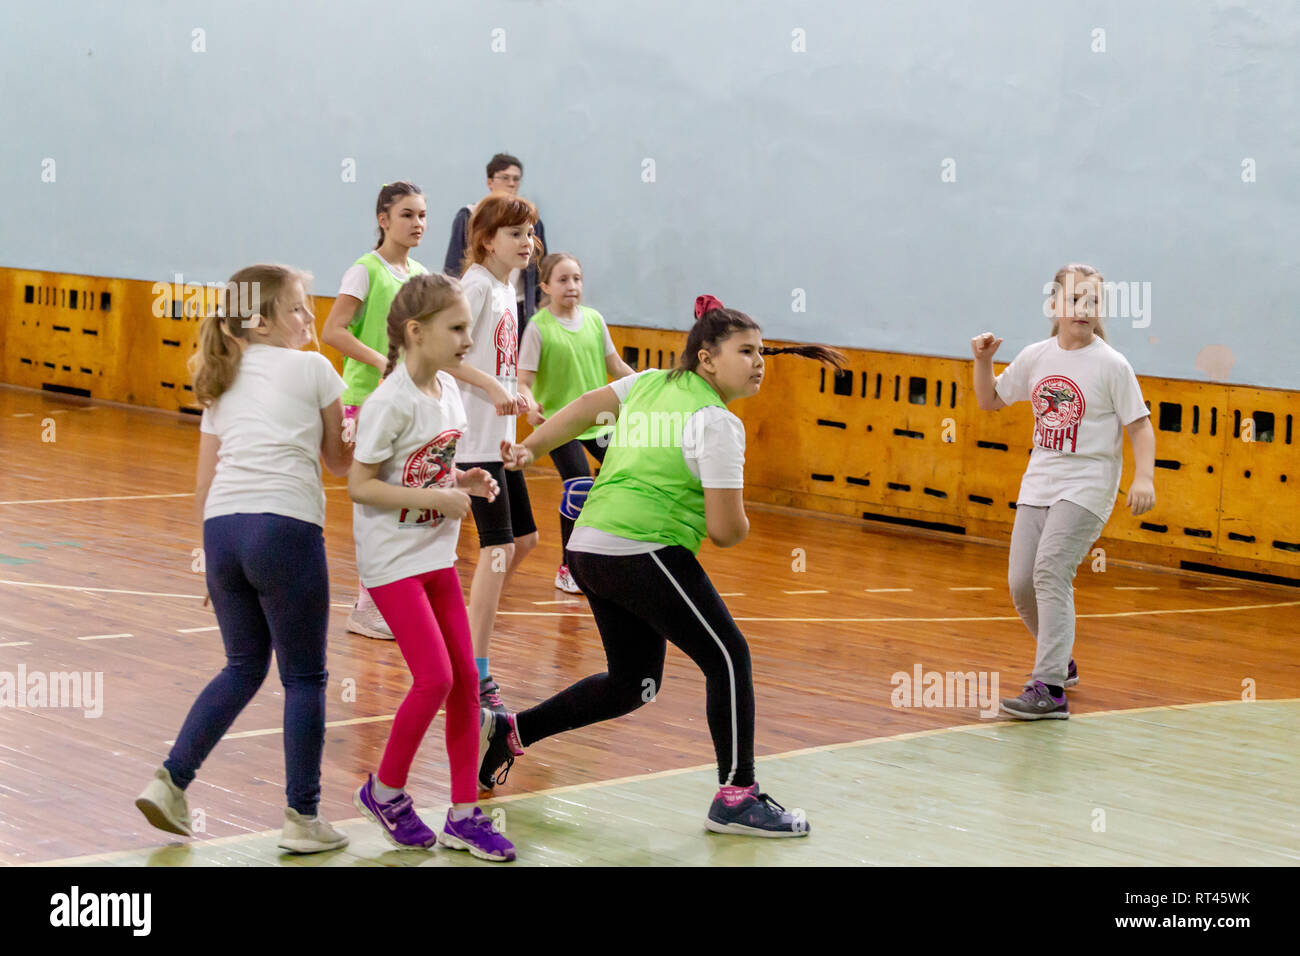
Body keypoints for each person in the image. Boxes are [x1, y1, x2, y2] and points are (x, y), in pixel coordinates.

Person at [483, 294, 844, 837]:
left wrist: (528, 450)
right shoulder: (716, 422)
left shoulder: (649, 382)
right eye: (745, 351)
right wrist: (741, 520)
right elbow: (726, 532)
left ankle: (511, 731)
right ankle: (737, 795)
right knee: (729, 657)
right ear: (706, 359)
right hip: (640, 546)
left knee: (634, 683)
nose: (759, 361)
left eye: (761, 351)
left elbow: (584, 408)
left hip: (588, 546)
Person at [136, 265, 353, 854]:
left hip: (223, 534)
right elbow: (338, 462)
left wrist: (209, 561)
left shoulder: (222, 379)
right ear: (262, 318)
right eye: (301, 308)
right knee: (304, 677)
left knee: (242, 666)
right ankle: (302, 818)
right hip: (283, 527)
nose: (311, 318)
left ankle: (171, 780)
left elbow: (204, 483)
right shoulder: (315, 369)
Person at [349, 272, 515, 860]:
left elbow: (428, 471)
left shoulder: (446, 390)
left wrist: (462, 480)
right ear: (417, 333)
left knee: (467, 680)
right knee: (436, 677)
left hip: (435, 554)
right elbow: (359, 485)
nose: (468, 338)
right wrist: (435, 499)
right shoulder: (389, 401)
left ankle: (464, 814)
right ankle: (386, 790)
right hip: (392, 562)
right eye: (458, 327)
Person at [971, 263, 1156, 720]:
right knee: (1021, 584)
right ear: (1054, 304)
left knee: (1050, 571)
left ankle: (1049, 688)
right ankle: (1058, 659)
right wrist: (982, 361)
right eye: (1075, 299)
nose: (1084, 309)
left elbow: (1140, 426)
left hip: (1089, 483)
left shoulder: (1112, 365)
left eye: (1093, 301)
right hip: (1040, 480)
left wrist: (1144, 478)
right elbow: (990, 400)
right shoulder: (1037, 356)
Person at [448, 192, 544, 715]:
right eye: (515, 233)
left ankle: (468, 632)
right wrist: (489, 386)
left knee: (524, 539)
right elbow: (447, 356)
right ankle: (474, 667)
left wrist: (521, 397)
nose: (527, 243)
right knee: (498, 548)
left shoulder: (509, 291)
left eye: (529, 233)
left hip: (501, 440)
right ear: (487, 240)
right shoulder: (477, 287)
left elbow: (501, 365)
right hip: (474, 440)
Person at [321, 181, 429, 640]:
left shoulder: (420, 274)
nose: (417, 223)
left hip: (407, 402)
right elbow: (333, 330)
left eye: (422, 215)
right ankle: (368, 606)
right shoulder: (364, 271)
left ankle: (389, 599)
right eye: (407, 214)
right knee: (375, 503)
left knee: (398, 504)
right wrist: (380, 362)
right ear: (383, 219)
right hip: (366, 401)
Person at [518, 252, 634, 593]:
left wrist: (648, 386)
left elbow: (616, 367)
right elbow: (523, 379)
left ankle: (609, 556)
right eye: (563, 280)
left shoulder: (595, 320)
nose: (572, 286)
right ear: (546, 286)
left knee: (625, 477)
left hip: (599, 421)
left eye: (577, 279)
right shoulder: (539, 327)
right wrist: (528, 404)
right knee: (579, 486)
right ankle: (568, 567)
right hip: (560, 424)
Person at [443, 153, 547, 335]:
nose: (511, 183)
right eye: (505, 178)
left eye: (516, 179)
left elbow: (541, 269)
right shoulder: (469, 216)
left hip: (519, 305)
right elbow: (452, 268)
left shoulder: (509, 292)